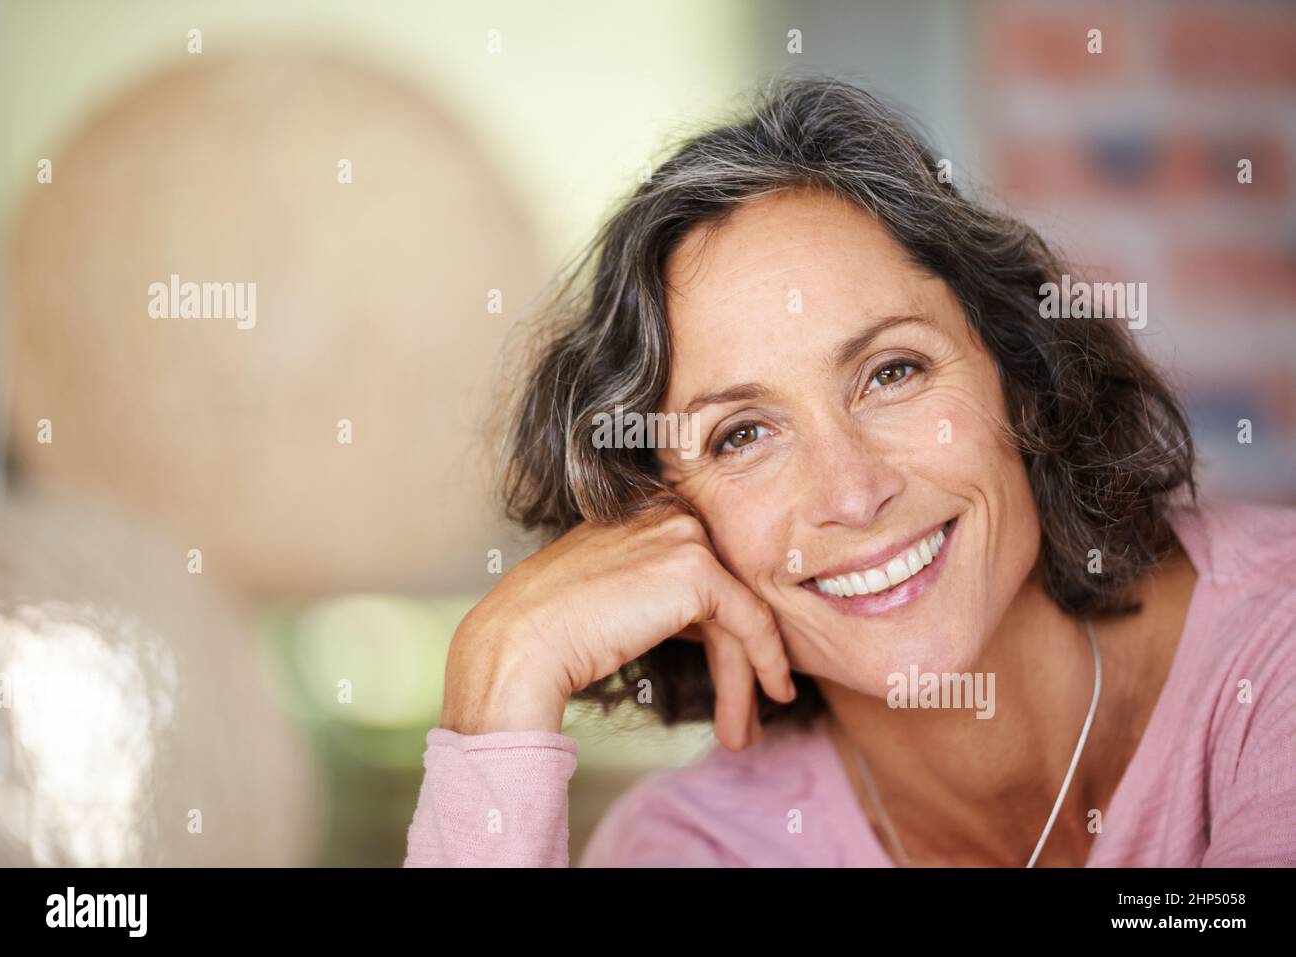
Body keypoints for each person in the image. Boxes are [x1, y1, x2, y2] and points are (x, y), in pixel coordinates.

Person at [404, 76, 1296, 868]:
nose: (852, 492)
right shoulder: (697, 846)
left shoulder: (1271, 654)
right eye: (742, 435)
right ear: (661, 527)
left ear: (1021, 375)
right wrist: (499, 674)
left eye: (892, 373)